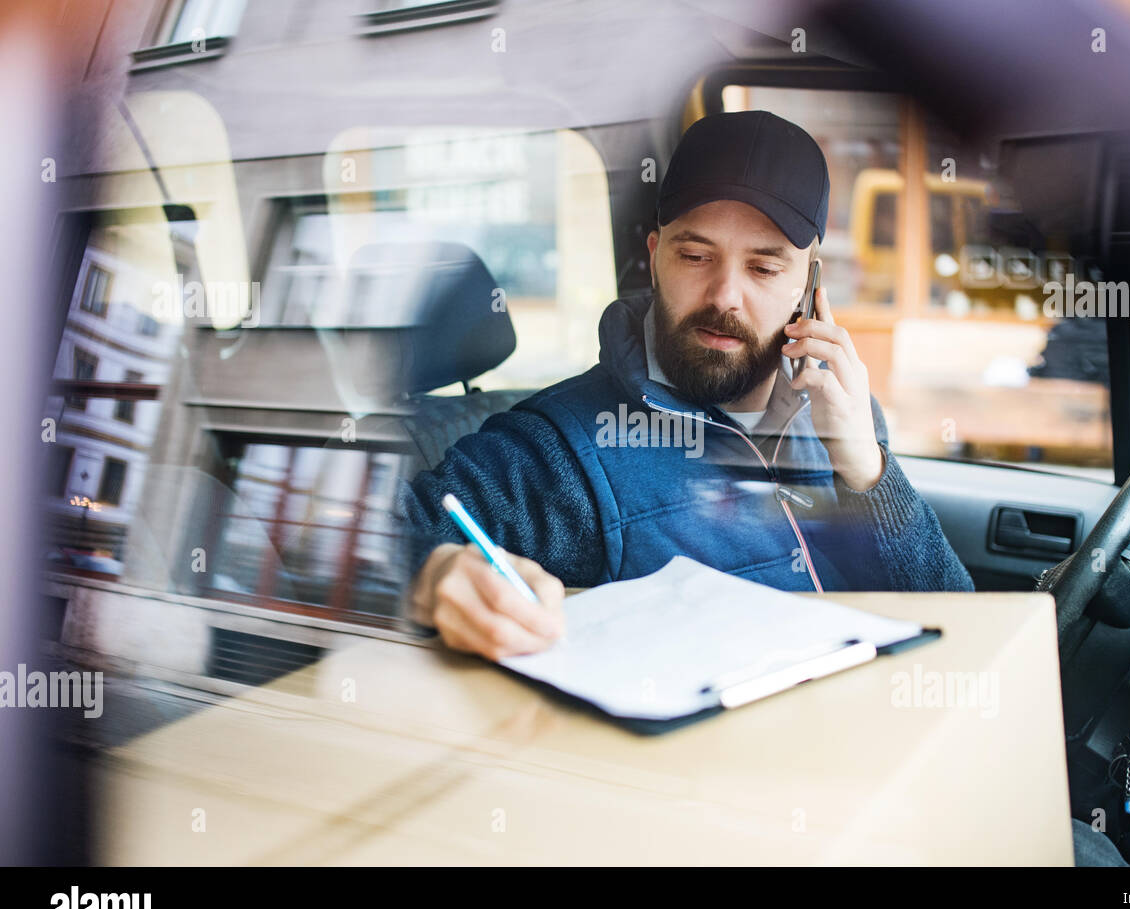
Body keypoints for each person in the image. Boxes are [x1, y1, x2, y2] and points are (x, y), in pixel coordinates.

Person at [399, 109, 973, 661]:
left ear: (809, 284)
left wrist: (868, 470)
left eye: (764, 268)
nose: (725, 295)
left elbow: (961, 632)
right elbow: (362, 543)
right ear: (655, 258)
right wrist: (433, 575)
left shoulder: (842, 415)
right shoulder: (560, 451)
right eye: (696, 256)